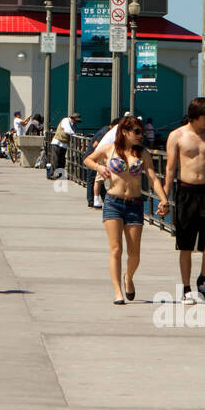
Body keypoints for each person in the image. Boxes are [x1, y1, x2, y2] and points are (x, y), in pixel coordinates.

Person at [86, 115, 168, 303]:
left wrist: (164, 199)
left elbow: (153, 178)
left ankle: (128, 277)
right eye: (137, 132)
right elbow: (88, 159)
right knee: (116, 249)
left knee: (135, 254)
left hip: (135, 204)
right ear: (125, 132)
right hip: (113, 202)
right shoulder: (109, 149)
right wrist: (99, 168)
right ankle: (117, 292)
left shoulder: (143, 154)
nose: (141, 135)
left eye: (142, 132)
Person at [163, 97, 205, 304]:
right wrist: (164, 198)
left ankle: (203, 278)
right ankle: (186, 289)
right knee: (185, 244)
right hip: (186, 192)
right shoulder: (177, 136)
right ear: (194, 116)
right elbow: (170, 168)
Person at [87, 116, 118, 208]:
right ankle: (93, 201)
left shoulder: (106, 130)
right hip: (99, 156)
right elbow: (95, 144)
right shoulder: (106, 132)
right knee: (97, 180)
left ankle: (97, 200)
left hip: (97, 156)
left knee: (97, 180)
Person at [48, 112, 80, 178]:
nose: (76, 122)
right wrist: (74, 134)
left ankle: (60, 174)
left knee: (62, 160)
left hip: (64, 144)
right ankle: (53, 174)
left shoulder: (72, 124)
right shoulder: (65, 120)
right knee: (55, 159)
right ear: (73, 119)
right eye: (76, 121)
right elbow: (67, 130)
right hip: (57, 142)